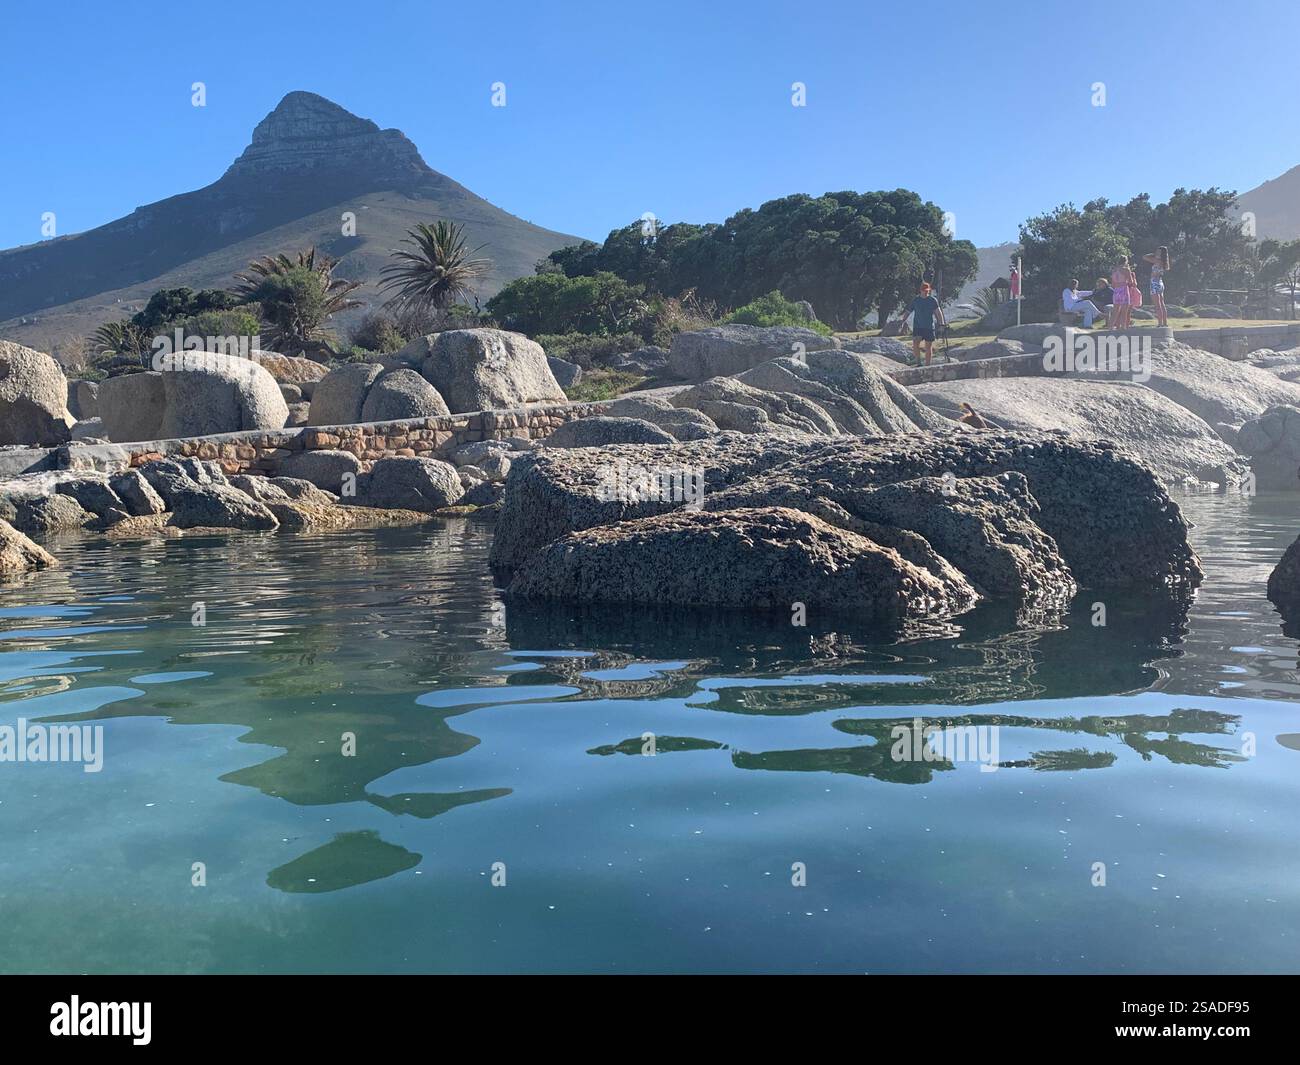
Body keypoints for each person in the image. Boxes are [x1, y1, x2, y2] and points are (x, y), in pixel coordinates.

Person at [905, 281, 945, 366]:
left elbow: (938, 312)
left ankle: (927, 365)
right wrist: (902, 321)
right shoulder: (916, 300)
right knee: (915, 343)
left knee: (928, 346)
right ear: (920, 290)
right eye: (924, 290)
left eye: (927, 290)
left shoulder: (932, 300)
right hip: (918, 326)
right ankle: (918, 362)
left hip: (929, 326)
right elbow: (908, 311)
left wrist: (941, 324)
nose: (926, 291)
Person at [1143, 246, 1171, 326]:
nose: (1157, 252)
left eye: (1158, 252)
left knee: (1157, 304)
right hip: (1160, 282)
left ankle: (1160, 323)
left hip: (1154, 282)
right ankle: (1164, 323)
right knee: (1162, 304)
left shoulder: (1156, 260)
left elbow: (1144, 257)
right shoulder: (1164, 261)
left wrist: (1153, 254)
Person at [1111, 256, 1136, 330]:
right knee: (1124, 311)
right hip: (1124, 289)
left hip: (1116, 291)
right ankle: (1123, 327)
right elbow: (1131, 282)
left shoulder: (1114, 270)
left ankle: (1110, 327)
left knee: (1115, 311)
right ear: (1126, 261)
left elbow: (1113, 284)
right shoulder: (1126, 270)